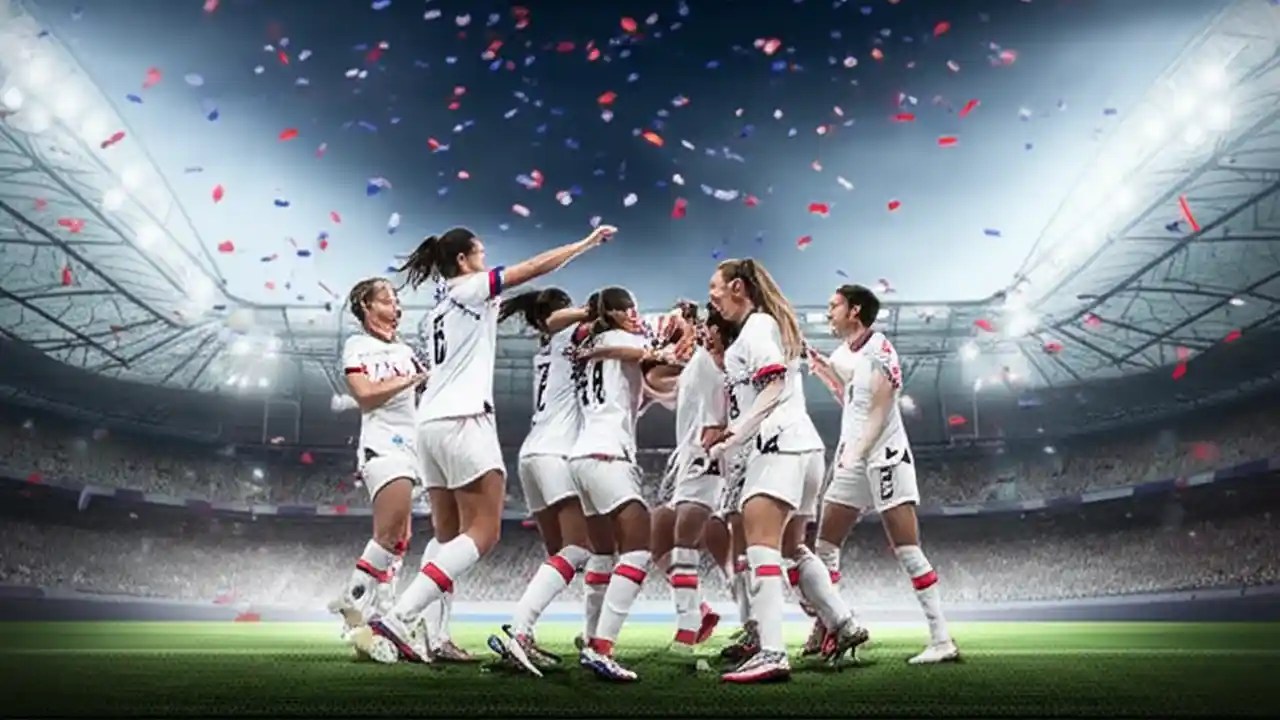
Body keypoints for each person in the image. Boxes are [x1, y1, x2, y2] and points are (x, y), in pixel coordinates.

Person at [353, 224, 617, 663]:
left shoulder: (433, 310)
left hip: (429, 425)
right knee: (484, 532)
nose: (485, 258)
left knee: (447, 535)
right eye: (480, 252)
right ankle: (400, 617)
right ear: (463, 259)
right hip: (465, 419)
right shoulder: (471, 288)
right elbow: (530, 270)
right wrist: (583, 243)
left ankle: (436, 638)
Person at [704, 258, 865, 683]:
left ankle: (772, 651)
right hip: (805, 447)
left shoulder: (756, 328)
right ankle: (843, 622)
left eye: (715, 287)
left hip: (779, 445)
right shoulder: (767, 326)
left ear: (738, 287)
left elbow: (773, 384)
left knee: (761, 549)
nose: (712, 297)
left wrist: (732, 434)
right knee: (793, 547)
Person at [806, 284, 959, 665]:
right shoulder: (846, 353)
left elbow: (878, 409)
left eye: (833, 306)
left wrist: (855, 453)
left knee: (907, 550)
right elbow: (851, 397)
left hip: (884, 456)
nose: (828, 313)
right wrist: (824, 369)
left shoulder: (880, 350)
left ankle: (942, 639)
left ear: (854, 310)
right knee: (825, 547)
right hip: (852, 456)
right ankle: (830, 624)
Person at [567, 287, 673, 682]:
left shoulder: (596, 343)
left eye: (635, 306)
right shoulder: (613, 338)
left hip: (584, 454)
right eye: (626, 307)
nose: (634, 313)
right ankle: (602, 647)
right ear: (609, 313)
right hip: (606, 454)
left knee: (603, 553)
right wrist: (665, 350)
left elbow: (632, 394)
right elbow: (645, 354)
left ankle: (591, 636)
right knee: (639, 549)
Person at [486, 288, 593, 675]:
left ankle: (540, 633)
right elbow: (561, 321)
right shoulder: (566, 334)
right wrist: (596, 309)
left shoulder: (546, 350)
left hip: (533, 455)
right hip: (556, 453)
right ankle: (521, 629)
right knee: (579, 549)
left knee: (561, 556)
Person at [329, 278, 426, 655]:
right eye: (386, 299)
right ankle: (353, 613)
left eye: (397, 300)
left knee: (401, 541)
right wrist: (412, 379)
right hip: (384, 448)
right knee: (387, 536)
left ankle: (382, 618)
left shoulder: (405, 350)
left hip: (413, 450)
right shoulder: (357, 347)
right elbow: (365, 395)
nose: (395, 305)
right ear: (366, 307)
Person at [646, 302, 736, 653]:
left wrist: (683, 335)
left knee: (688, 540)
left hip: (707, 453)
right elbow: (655, 379)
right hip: (686, 459)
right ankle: (700, 608)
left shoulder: (720, 358)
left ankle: (687, 632)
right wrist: (664, 351)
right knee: (658, 538)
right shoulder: (696, 365)